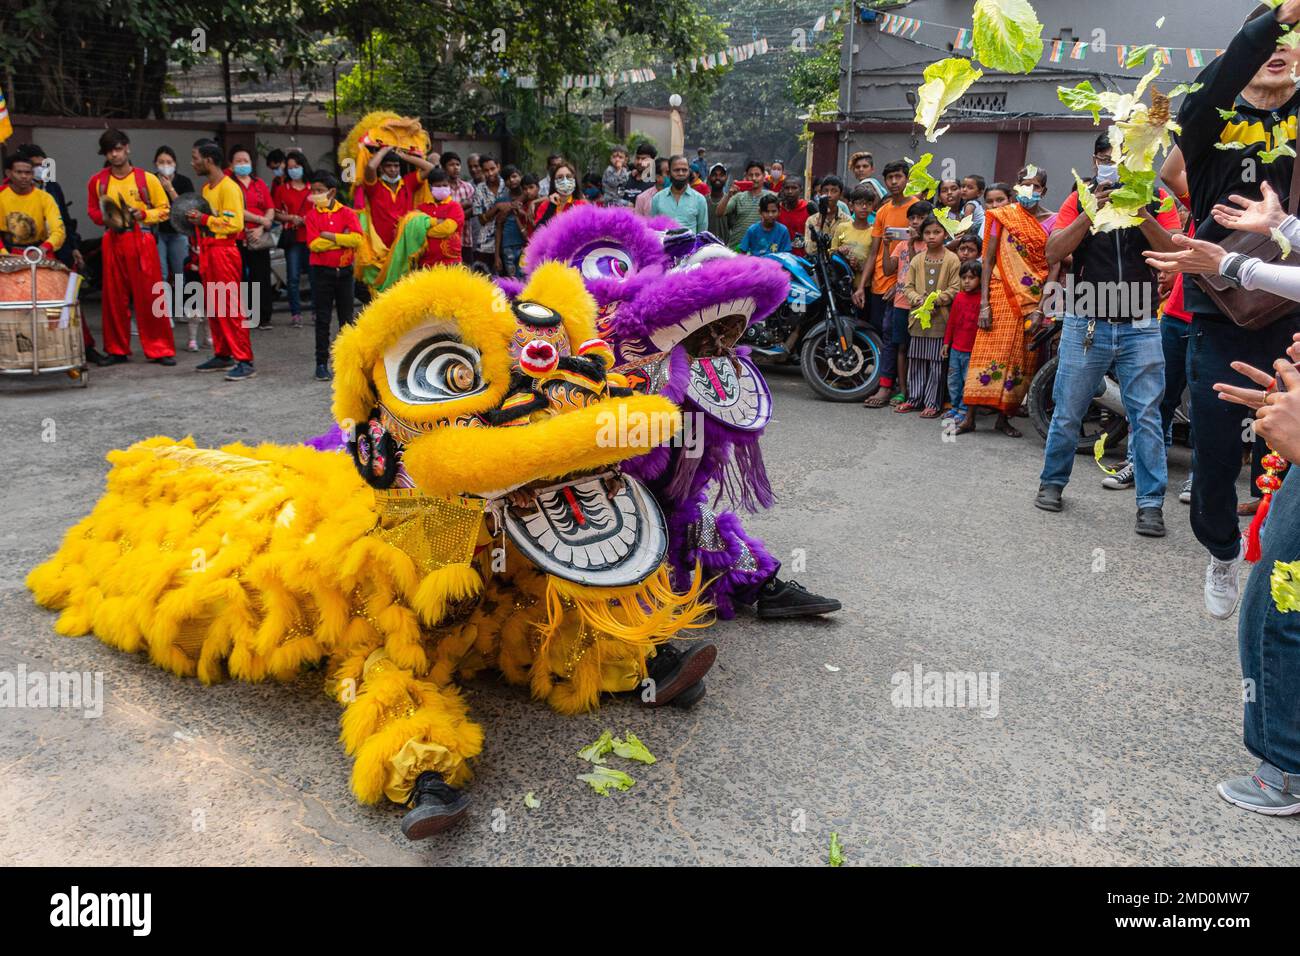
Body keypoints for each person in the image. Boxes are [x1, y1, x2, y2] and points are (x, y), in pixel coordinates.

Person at [1170, 0, 1300, 618]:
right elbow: (1211, 86)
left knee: (1285, 449)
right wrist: (1274, 19)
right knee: (1217, 448)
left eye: (1293, 37)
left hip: (1294, 304)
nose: (1279, 48)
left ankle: (1281, 565)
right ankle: (1221, 550)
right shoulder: (1205, 119)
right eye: (1269, 37)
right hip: (1221, 306)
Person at [1035, 141, 1181, 535]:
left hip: (1140, 321)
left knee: (1146, 416)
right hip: (1087, 320)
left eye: (1120, 158)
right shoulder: (1079, 196)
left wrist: (1142, 215)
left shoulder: (1156, 197)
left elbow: (1175, 252)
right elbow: (1053, 252)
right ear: (1095, 161)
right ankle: (1052, 483)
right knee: (1068, 410)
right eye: (1105, 159)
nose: (1112, 166)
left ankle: (1150, 505)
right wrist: (1089, 212)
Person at [954, 182, 1042, 437]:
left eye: (999, 200)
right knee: (982, 357)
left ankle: (1004, 418)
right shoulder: (997, 222)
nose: (994, 206)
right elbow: (988, 261)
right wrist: (984, 305)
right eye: (990, 202)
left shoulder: (1028, 223)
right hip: (997, 295)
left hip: (1026, 298)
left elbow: (1044, 263)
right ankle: (969, 417)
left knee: (1017, 358)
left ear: (1010, 199)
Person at [85, 128, 176, 367]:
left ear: (127, 148)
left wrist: (143, 213)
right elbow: (93, 210)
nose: (114, 155)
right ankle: (117, 349)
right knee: (114, 298)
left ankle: (160, 349)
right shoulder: (97, 181)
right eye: (109, 151)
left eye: (117, 149)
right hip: (112, 239)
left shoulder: (146, 178)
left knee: (151, 296)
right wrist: (105, 218)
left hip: (141, 238)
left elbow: (165, 209)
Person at [189, 140, 255, 381]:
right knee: (215, 306)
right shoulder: (207, 189)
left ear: (208, 160)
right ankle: (223, 353)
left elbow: (235, 224)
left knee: (230, 306)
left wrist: (204, 220)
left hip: (225, 251)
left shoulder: (229, 188)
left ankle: (245, 360)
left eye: (195, 158)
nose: (192, 162)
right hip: (209, 250)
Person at [854, 159, 916, 408]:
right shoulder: (882, 211)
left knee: (900, 340)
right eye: (889, 178)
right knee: (882, 338)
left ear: (906, 178)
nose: (894, 182)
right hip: (880, 283)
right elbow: (873, 251)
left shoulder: (916, 208)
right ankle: (885, 384)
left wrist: (901, 284)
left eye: (898, 177)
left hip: (904, 288)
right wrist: (862, 286)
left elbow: (922, 251)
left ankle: (897, 387)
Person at [899, 215, 960, 417]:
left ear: (945, 234)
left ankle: (933, 403)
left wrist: (934, 300)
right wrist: (918, 300)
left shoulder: (952, 259)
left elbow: (955, 288)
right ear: (922, 235)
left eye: (937, 232)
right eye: (927, 233)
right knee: (916, 360)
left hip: (941, 320)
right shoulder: (917, 259)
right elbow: (908, 287)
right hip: (918, 319)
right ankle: (914, 398)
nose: (932, 236)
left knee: (936, 364)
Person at [305, 171, 362, 381]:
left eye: (319, 191)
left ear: (332, 192)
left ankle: (346, 363)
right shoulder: (312, 215)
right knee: (322, 319)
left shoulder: (347, 212)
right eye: (313, 191)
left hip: (345, 273)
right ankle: (321, 363)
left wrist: (329, 236)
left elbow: (357, 240)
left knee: (347, 320)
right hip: (321, 273)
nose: (315, 194)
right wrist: (342, 238)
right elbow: (314, 245)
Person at [880, 199, 935, 407]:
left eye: (920, 218)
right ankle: (903, 391)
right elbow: (887, 270)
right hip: (901, 302)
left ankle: (918, 391)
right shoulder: (902, 244)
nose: (914, 222)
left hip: (921, 304)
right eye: (911, 217)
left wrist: (912, 244)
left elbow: (916, 271)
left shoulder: (930, 244)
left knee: (919, 349)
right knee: (901, 347)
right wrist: (886, 246)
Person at [149, 146, 198, 348]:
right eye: (161, 162)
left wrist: (169, 188)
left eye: (169, 162)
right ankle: (166, 314)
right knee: (161, 274)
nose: (165, 166)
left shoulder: (183, 181)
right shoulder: (150, 180)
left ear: (175, 163)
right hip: (158, 232)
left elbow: (187, 208)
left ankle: (183, 311)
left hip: (179, 233)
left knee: (181, 273)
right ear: (155, 164)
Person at [228, 145, 275, 331]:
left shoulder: (259, 184)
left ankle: (263, 316)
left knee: (261, 276)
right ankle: (243, 314)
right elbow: (236, 210)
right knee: (239, 277)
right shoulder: (230, 185)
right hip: (238, 235)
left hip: (259, 235)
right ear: (231, 165)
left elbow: (270, 207)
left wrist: (262, 227)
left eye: (245, 161)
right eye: (238, 161)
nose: (243, 164)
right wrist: (260, 220)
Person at [362, 141, 434, 249]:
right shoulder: (374, 186)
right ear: (381, 168)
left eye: (396, 166)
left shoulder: (407, 183)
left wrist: (403, 155)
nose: (393, 169)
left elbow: (430, 168)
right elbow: (371, 167)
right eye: (388, 166)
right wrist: (385, 149)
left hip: (405, 242)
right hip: (380, 246)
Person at [273, 149, 314, 330]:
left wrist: (307, 219)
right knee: (293, 277)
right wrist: (291, 218)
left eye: (296, 166)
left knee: (315, 276)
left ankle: (315, 310)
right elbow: (275, 213)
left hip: (311, 237)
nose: (293, 170)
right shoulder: (282, 189)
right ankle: (295, 313)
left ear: (303, 166)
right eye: (290, 167)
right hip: (292, 238)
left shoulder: (313, 188)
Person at [0, 152, 65, 258]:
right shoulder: (1, 195)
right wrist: (4, 253)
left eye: (28, 172)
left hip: (39, 252)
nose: (24, 176)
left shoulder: (45, 198)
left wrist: (43, 249)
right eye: (19, 172)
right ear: (8, 173)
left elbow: (58, 231)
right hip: (6, 253)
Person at [944, 260, 982, 422]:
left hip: (972, 351)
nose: (967, 281)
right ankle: (954, 406)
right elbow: (951, 322)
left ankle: (964, 409)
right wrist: (947, 343)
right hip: (956, 349)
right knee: (953, 380)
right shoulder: (959, 298)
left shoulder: (983, 300)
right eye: (964, 277)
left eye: (971, 278)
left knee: (968, 382)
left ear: (980, 279)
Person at [416, 165, 466, 269]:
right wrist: (436, 223)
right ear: (430, 187)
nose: (442, 188)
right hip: (425, 264)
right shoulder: (421, 208)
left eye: (445, 185)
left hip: (451, 263)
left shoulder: (455, 207)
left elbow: (447, 229)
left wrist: (426, 231)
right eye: (438, 186)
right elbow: (415, 231)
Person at [718, 159, 773, 252]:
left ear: (764, 176)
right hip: (736, 248)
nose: (754, 178)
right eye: (751, 175)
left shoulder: (771, 196)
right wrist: (728, 195)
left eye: (757, 175)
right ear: (746, 176)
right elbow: (719, 213)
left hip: (760, 250)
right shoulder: (738, 196)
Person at [469, 155, 510, 273]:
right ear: (482, 171)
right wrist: (497, 207)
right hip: (486, 243)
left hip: (508, 239)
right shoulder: (479, 190)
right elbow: (482, 220)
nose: (490, 173)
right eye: (486, 170)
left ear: (498, 167)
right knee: (484, 280)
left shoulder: (508, 185)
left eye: (492, 169)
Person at [650, 154, 709, 233]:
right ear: (669, 173)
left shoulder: (700, 199)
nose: (681, 173)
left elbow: (702, 231)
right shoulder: (657, 198)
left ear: (689, 172)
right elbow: (653, 230)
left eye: (684, 170)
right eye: (676, 170)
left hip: (690, 245)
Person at [830, 185, 877, 279]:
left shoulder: (874, 232)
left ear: (872, 206)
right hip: (842, 283)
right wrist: (839, 251)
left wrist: (858, 266)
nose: (864, 207)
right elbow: (832, 252)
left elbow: (874, 262)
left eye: (868, 204)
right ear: (851, 206)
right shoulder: (843, 229)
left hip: (864, 284)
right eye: (859, 203)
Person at [439, 151, 475, 263]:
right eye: (451, 165)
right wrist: (464, 205)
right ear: (444, 168)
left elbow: (474, 210)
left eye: (458, 164)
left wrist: (454, 215)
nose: (456, 168)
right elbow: (441, 213)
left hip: (465, 239)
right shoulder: (441, 189)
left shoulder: (468, 187)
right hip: (446, 240)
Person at [498, 172, 535, 277]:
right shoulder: (504, 201)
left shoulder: (532, 203)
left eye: (514, 176)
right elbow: (499, 223)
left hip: (526, 246)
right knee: (514, 279)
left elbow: (533, 224)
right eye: (525, 189)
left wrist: (533, 203)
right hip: (509, 246)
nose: (512, 180)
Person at [533, 161, 586, 227]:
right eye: (560, 177)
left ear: (574, 180)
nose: (565, 181)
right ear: (554, 182)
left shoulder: (582, 205)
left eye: (569, 176)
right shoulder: (545, 206)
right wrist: (551, 208)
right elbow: (538, 232)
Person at [776, 175, 812, 258]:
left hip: (803, 258)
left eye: (794, 188)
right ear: (782, 190)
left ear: (801, 190)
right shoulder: (777, 210)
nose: (790, 191)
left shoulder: (808, 208)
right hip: (781, 257)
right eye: (787, 188)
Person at [621, 143, 658, 209]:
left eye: (644, 159)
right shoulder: (625, 177)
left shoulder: (656, 182)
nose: (639, 162)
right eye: (637, 158)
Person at [705, 163, 730, 242]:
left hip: (725, 248)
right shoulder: (703, 201)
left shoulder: (730, 200)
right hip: (705, 247)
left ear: (726, 178)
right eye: (714, 175)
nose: (718, 178)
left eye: (721, 175)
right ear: (709, 178)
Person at [960, 174, 987, 238]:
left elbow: (966, 225)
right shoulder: (975, 203)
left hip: (976, 233)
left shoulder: (970, 205)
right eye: (963, 186)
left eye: (970, 187)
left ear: (979, 193)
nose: (964, 190)